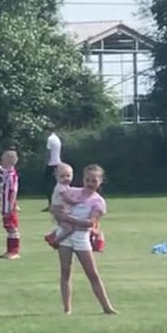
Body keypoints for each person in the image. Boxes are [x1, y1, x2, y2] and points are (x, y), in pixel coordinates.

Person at [52, 165, 116, 315]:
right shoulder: (72, 192)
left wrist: (68, 219)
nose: (90, 183)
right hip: (66, 236)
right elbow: (56, 210)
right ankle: (67, 308)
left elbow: (90, 223)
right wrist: (60, 215)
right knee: (65, 271)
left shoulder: (98, 201)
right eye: (87, 180)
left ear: (100, 182)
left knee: (92, 273)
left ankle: (107, 306)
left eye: (94, 180)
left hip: (81, 237)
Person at [41, 126, 64, 210]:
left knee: (47, 185)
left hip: (51, 164)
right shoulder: (57, 139)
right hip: (58, 163)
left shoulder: (50, 139)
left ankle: (51, 204)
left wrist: (44, 164)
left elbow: (48, 152)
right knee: (56, 184)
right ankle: (56, 203)